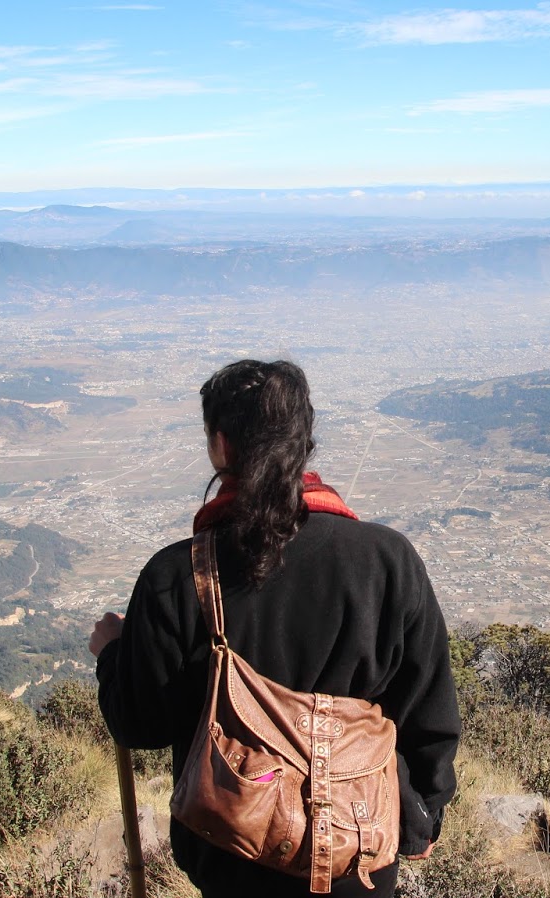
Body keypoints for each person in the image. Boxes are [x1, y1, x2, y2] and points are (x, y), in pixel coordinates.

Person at [89, 359, 461, 898]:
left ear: (220, 446)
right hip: (358, 854)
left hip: (231, 855)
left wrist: (113, 655)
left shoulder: (176, 576)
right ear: (305, 441)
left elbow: (141, 723)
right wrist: (423, 813)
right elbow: (428, 706)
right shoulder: (386, 560)